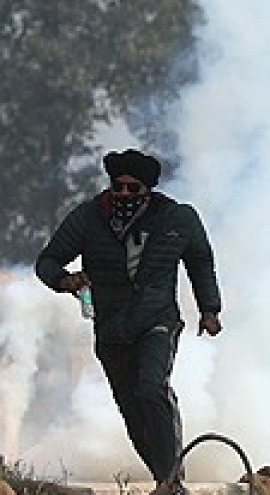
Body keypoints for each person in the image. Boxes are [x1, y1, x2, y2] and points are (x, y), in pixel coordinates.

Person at [35, 149, 222, 492]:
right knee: (132, 411)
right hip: (110, 330)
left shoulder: (177, 219)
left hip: (157, 323)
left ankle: (171, 480)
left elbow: (200, 262)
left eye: (131, 189)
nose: (122, 195)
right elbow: (48, 261)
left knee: (152, 389)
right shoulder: (88, 217)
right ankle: (162, 478)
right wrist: (65, 281)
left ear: (147, 190)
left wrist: (210, 309)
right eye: (116, 187)